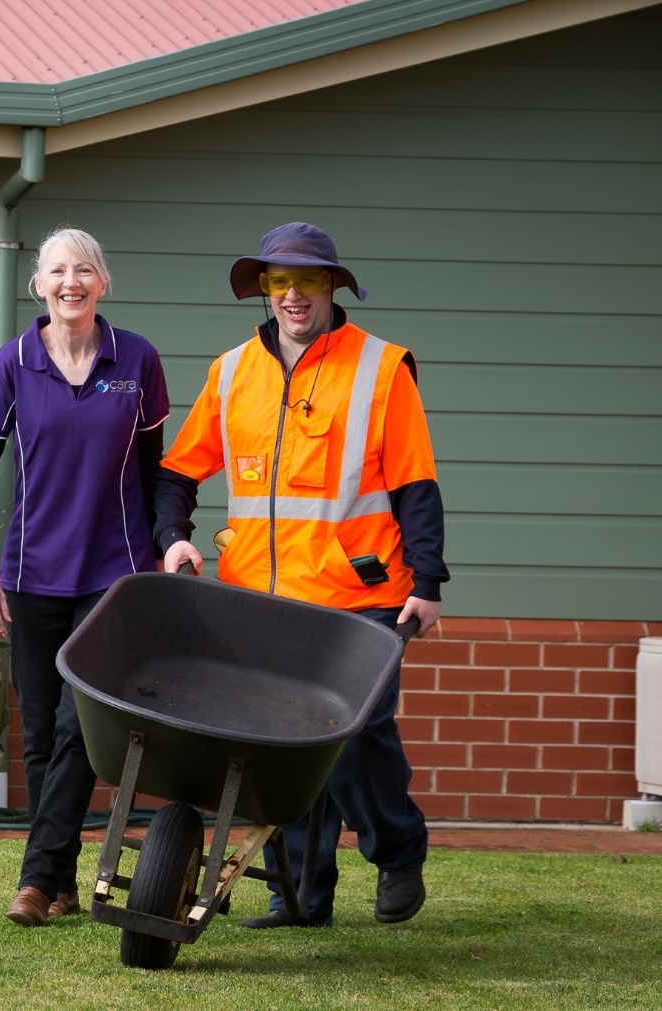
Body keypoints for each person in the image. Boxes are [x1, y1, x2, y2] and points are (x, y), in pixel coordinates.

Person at [154, 221, 448, 928]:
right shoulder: (230, 372)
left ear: (331, 287)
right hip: (261, 598)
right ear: (263, 288)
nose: (293, 295)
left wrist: (428, 581)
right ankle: (299, 894)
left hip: (361, 595)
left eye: (308, 280)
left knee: (356, 733)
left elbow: (416, 484)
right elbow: (177, 472)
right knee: (279, 746)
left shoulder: (381, 367)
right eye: (279, 281)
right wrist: (173, 538)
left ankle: (397, 852)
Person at [0, 227, 169, 927]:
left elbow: (154, 471)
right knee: (41, 738)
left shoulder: (136, 360)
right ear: (39, 285)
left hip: (114, 572)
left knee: (78, 724)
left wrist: (166, 546)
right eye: (57, 271)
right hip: (31, 573)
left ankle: (32, 881)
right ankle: (61, 881)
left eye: (83, 270)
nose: (70, 282)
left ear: (102, 282)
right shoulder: (13, 363)